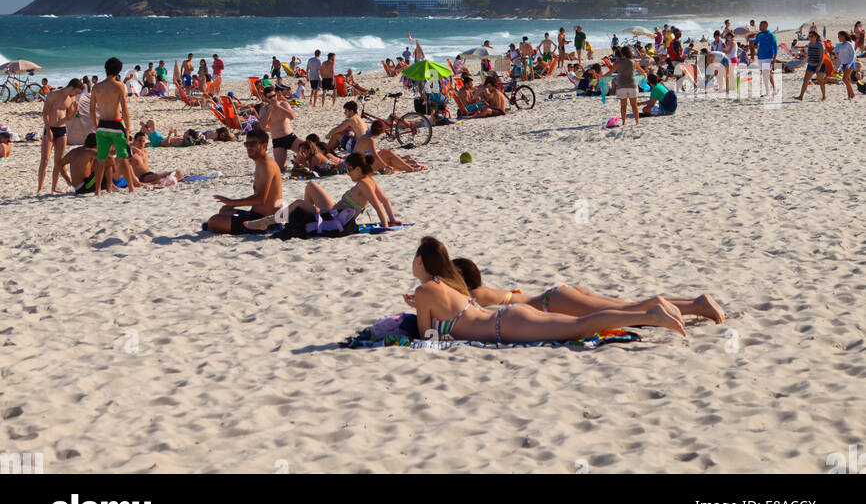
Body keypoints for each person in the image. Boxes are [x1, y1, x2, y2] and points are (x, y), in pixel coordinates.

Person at [406, 238, 686, 344]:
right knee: (583, 324)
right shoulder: (447, 285)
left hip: (506, 327)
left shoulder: (425, 292)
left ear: (420, 260)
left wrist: (418, 309)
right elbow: (451, 314)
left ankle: (652, 316)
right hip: (511, 315)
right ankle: (652, 313)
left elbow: (424, 336)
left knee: (583, 326)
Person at [452, 257, 725, 325]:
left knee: (625, 310)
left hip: (554, 303)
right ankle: (696, 302)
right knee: (627, 305)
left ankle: (694, 306)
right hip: (559, 293)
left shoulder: (475, 295)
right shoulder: (485, 289)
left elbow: (458, 307)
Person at [249, 152, 396, 233]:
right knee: (311, 185)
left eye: (349, 170)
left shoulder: (364, 184)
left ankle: (267, 222)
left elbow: (377, 204)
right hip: (332, 212)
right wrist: (392, 220)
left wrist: (385, 226)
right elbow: (385, 201)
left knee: (299, 203)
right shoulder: (370, 181)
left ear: (358, 169)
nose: (348, 173)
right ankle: (307, 217)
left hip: (334, 218)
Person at [204, 127, 282, 234]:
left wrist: (231, 202)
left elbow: (261, 199)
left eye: (253, 144)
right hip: (256, 215)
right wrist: (232, 205)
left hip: (266, 222)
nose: (249, 147)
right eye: (247, 144)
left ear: (264, 145)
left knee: (214, 221)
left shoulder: (266, 165)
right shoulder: (260, 163)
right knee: (225, 210)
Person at [90, 58, 141, 195]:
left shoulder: (96, 88)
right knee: (123, 158)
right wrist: (128, 129)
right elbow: (124, 110)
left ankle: (98, 191)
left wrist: (96, 126)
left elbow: (91, 110)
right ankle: (131, 188)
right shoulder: (120, 86)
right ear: (118, 71)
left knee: (101, 159)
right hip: (116, 124)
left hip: (102, 125)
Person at [37, 79, 85, 194]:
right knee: (45, 159)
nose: (77, 94)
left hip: (62, 129)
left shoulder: (71, 99)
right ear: (72, 88)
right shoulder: (53, 94)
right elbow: (45, 113)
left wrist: (74, 111)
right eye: (77, 92)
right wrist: (48, 130)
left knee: (58, 161)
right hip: (50, 128)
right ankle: (40, 188)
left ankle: (53, 188)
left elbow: (68, 118)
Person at [353, 119, 426, 173]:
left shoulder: (366, 136)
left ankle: (410, 166)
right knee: (388, 154)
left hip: (359, 165)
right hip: (361, 167)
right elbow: (375, 155)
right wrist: (386, 167)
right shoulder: (369, 139)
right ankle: (411, 169)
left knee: (385, 153)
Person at [260, 89, 299, 171]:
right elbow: (263, 125)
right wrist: (270, 111)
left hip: (290, 137)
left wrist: (278, 107)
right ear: (266, 98)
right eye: (270, 97)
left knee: (309, 151)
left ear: (276, 95)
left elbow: (292, 116)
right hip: (277, 140)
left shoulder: (284, 104)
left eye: (274, 95)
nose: (273, 98)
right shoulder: (264, 109)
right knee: (281, 168)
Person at [797, 30, 827, 102]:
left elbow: (822, 56)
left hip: (819, 65)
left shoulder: (820, 44)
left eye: (811, 36)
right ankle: (801, 96)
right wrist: (805, 61)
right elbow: (809, 54)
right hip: (810, 64)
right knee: (805, 80)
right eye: (809, 36)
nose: (810, 37)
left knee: (820, 81)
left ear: (816, 37)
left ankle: (824, 96)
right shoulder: (810, 44)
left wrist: (819, 65)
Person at [753, 20, 778, 97]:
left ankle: (770, 91)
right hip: (760, 57)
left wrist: (774, 58)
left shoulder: (771, 35)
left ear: (765, 26)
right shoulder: (758, 35)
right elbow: (754, 44)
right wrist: (756, 46)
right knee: (765, 74)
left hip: (768, 57)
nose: (759, 27)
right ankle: (772, 90)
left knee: (766, 74)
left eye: (761, 25)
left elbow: (775, 47)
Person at [835, 31, 856, 99]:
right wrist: (837, 67)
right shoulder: (841, 45)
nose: (838, 37)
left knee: (844, 79)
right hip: (844, 65)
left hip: (850, 64)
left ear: (843, 36)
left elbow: (853, 55)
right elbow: (840, 57)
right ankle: (849, 96)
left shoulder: (848, 44)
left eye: (839, 36)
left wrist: (849, 64)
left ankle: (852, 93)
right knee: (848, 80)